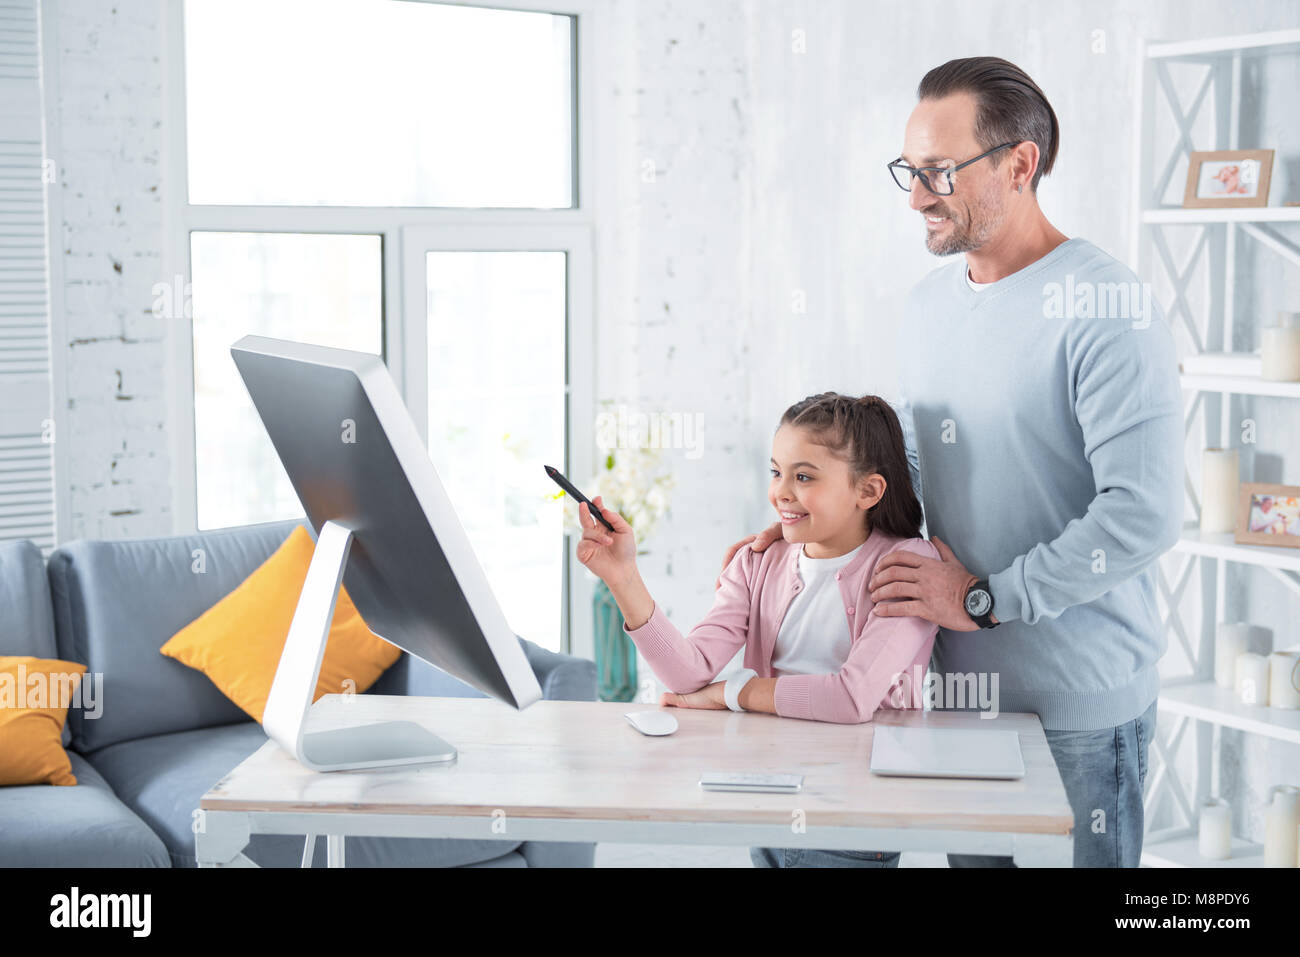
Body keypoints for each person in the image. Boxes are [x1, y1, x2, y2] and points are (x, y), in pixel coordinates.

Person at [721, 57, 1183, 868]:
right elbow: (915, 475)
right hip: (956, 702)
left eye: (938, 171)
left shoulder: (1106, 308)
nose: (914, 195)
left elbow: (1140, 513)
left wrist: (986, 596)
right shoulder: (929, 306)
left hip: (1077, 713)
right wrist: (809, 521)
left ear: (1019, 164)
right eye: (908, 169)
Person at [576, 392, 939, 868]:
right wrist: (624, 579)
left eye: (803, 476)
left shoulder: (909, 567)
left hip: (852, 815)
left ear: (868, 491)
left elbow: (853, 699)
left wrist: (733, 693)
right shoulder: (759, 560)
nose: (780, 492)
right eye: (776, 472)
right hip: (769, 795)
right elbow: (688, 675)